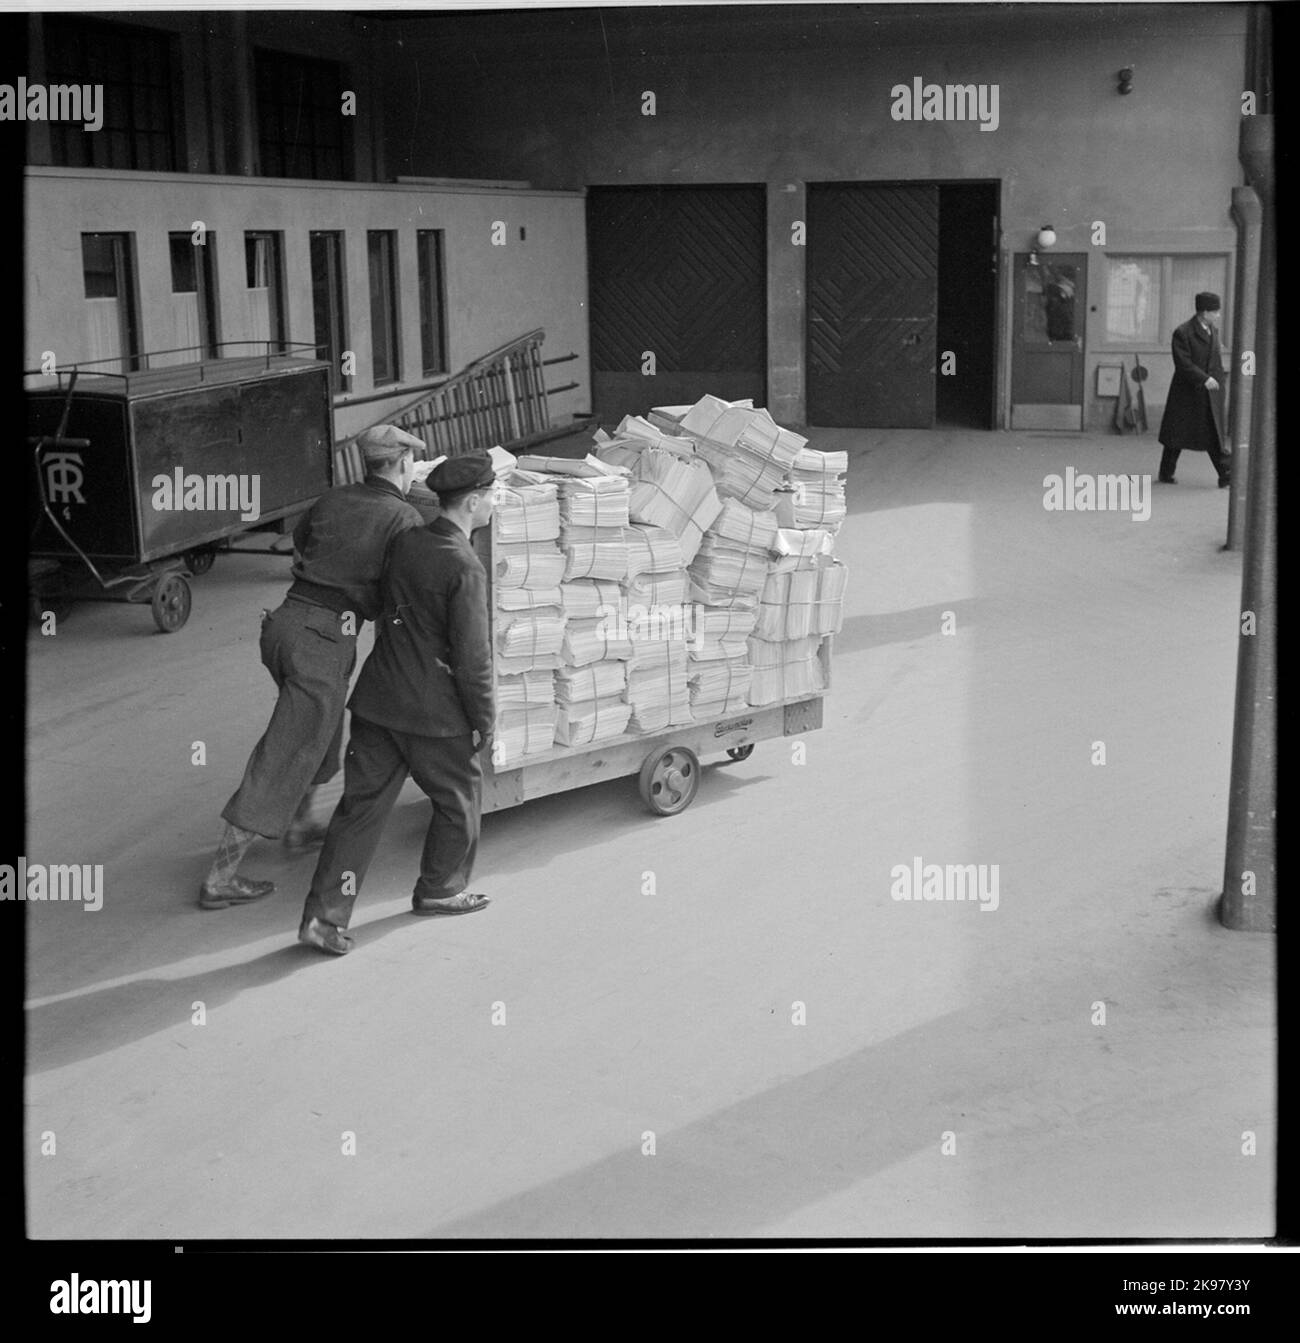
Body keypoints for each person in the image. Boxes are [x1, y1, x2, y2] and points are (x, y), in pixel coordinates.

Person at [199, 425, 430, 910]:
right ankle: (221, 877)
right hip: (322, 640)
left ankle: (299, 827)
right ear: (404, 463)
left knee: (321, 738)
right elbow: (402, 587)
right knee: (287, 749)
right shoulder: (402, 517)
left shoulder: (333, 498)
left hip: (285, 624)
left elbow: (301, 544)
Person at [298, 451, 498, 956]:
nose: (493, 503)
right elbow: (473, 659)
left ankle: (324, 918)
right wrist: (484, 721)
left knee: (358, 813)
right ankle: (440, 889)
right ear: (473, 503)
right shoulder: (465, 567)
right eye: (491, 495)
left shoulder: (408, 541)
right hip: (435, 714)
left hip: (378, 701)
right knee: (459, 801)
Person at [1157, 292, 1231, 488]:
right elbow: (1183, 364)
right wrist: (1204, 378)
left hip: (1209, 393)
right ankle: (1166, 472)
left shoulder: (1212, 331)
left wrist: (1219, 379)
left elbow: (1215, 360)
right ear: (1204, 312)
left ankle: (1226, 474)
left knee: (1213, 434)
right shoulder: (1183, 332)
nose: (1218, 315)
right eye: (1215, 311)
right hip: (1187, 394)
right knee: (1176, 437)